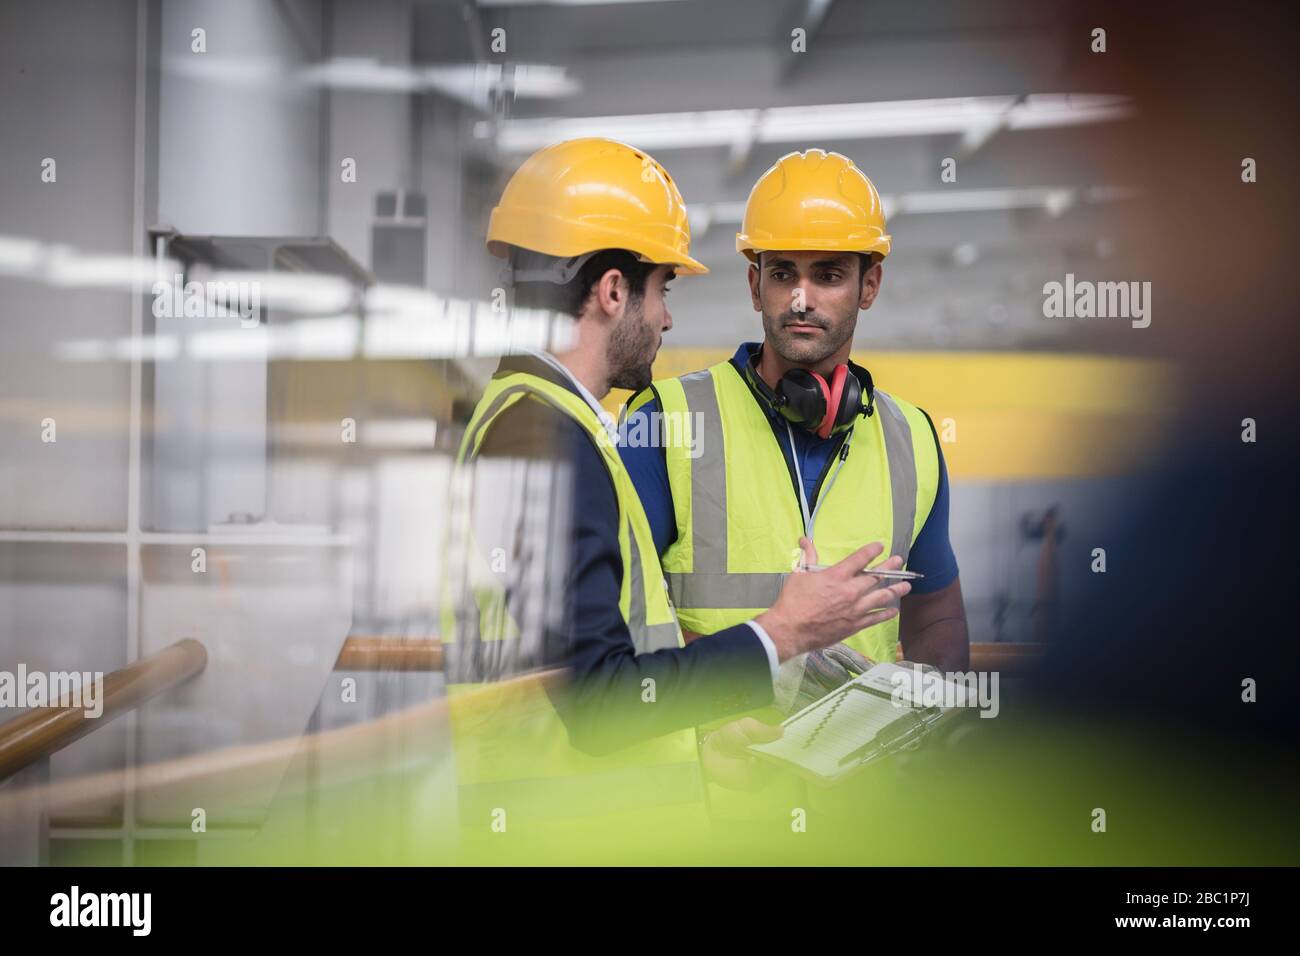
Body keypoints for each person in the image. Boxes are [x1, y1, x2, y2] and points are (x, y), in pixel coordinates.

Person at [440, 138, 913, 850]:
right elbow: (598, 703)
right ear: (611, 291)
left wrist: (700, 750)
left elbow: (577, 677)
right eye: (662, 290)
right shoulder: (546, 436)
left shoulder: (531, 418)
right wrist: (783, 632)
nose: (665, 320)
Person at [620, 148, 969, 697]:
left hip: (860, 775)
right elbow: (620, 624)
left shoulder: (914, 438)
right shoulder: (664, 422)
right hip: (719, 770)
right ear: (756, 285)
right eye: (783, 273)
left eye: (829, 275)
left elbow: (937, 620)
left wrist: (929, 719)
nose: (802, 299)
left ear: (870, 285)